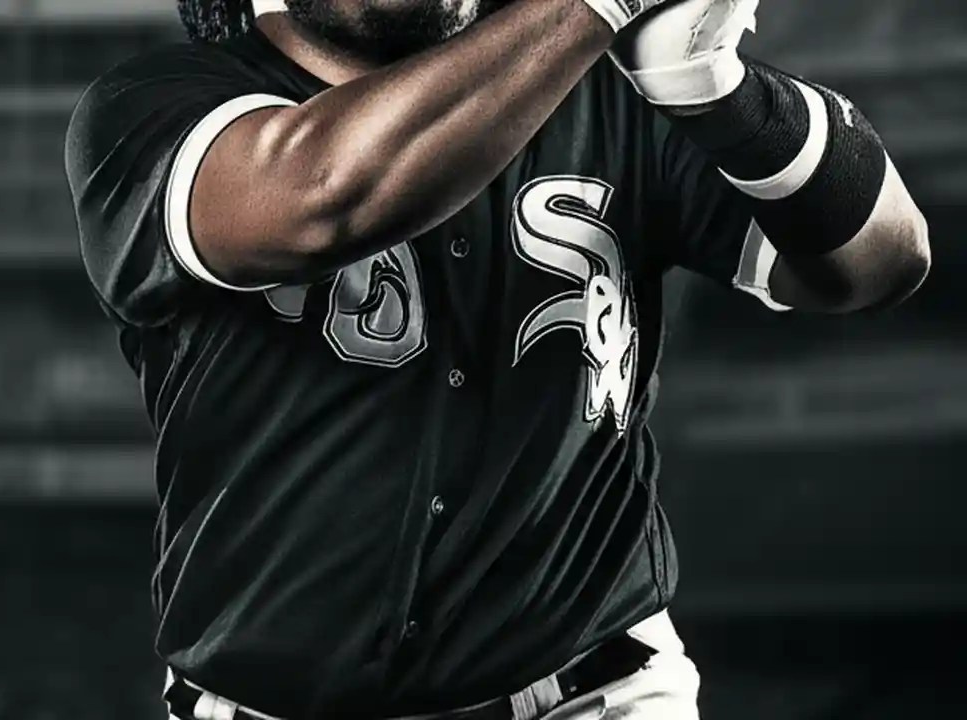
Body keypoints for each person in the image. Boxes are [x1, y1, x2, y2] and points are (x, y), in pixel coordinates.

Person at [63, 0, 930, 716]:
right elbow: (322, 194)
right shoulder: (150, 108)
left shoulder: (607, 88)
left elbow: (882, 259)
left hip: (592, 692)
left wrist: (721, 91)